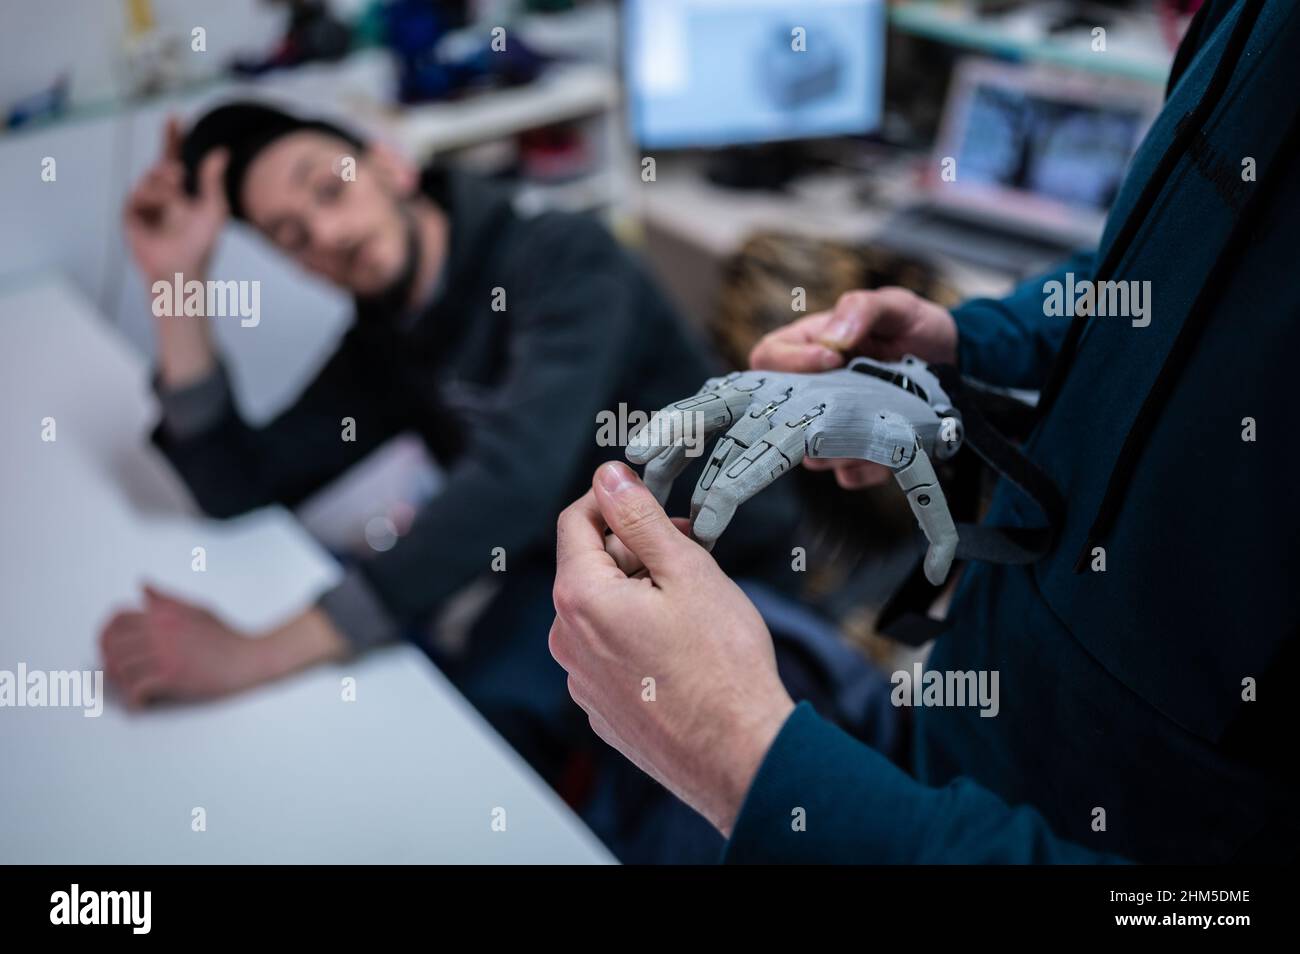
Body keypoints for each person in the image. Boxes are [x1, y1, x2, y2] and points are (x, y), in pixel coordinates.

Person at [549, 0, 1297, 863]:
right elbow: (1148, 270)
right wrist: (964, 342)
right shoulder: (1251, 24)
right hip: (977, 714)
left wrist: (743, 762)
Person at [100, 100, 800, 796]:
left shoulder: (565, 257)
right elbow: (235, 484)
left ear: (392, 166)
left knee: (509, 740)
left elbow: (515, 481)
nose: (327, 234)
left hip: (726, 570)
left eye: (330, 188)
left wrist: (254, 653)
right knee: (447, 725)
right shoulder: (389, 332)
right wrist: (175, 282)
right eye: (292, 236)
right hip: (567, 569)